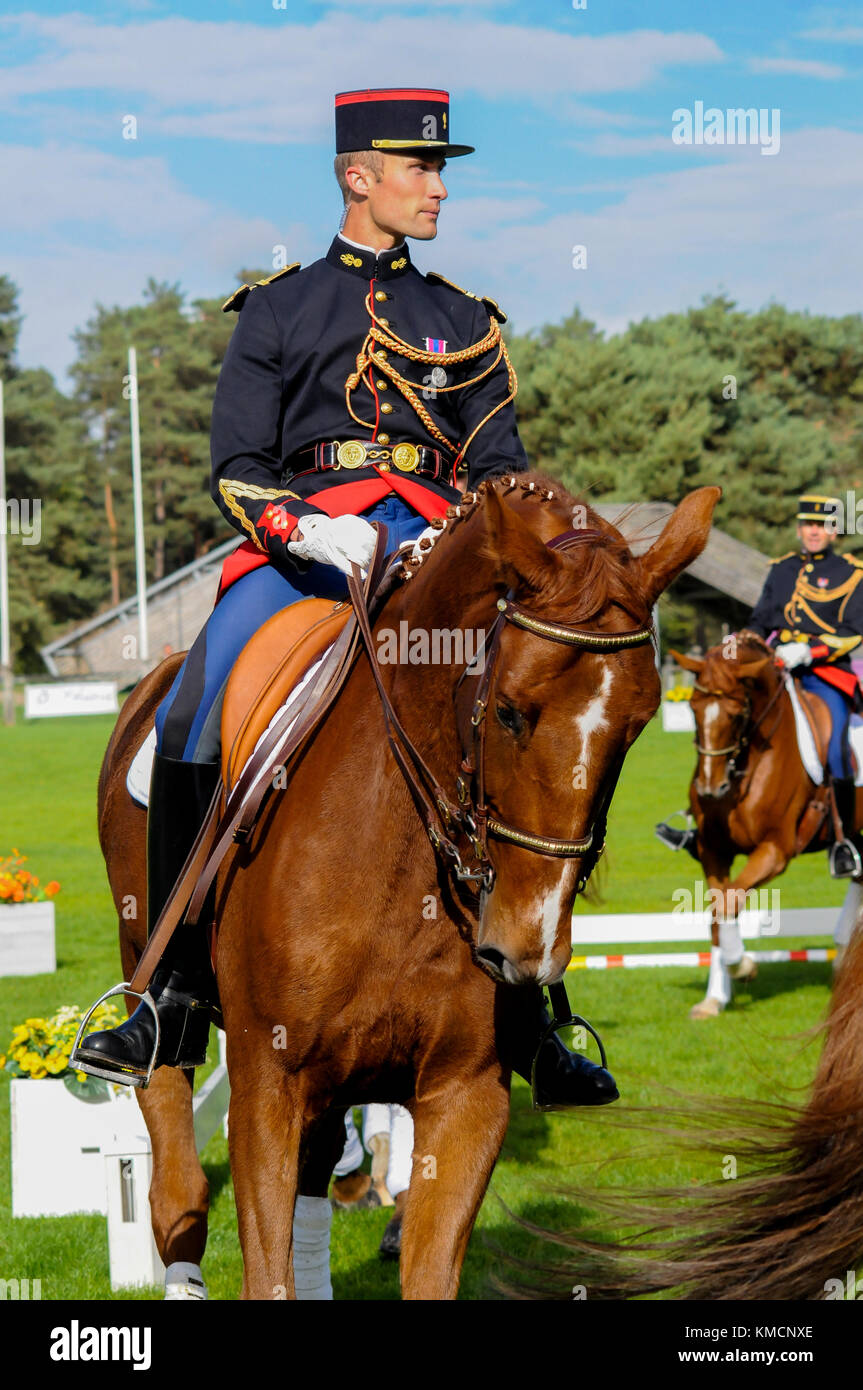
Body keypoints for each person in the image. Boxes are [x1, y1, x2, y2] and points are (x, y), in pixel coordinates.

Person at [75, 87, 617, 1108]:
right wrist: (299, 525)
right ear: (356, 177)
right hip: (301, 556)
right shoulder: (279, 309)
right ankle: (174, 994)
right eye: (419, 169)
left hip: (436, 562)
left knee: (528, 733)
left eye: (440, 170)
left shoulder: (464, 320)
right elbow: (236, 463)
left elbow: (501, 470)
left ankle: (537, 1018)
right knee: (191, 712)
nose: (438, 188)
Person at [656, 493, 863, 875]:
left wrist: (810, 651)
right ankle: (699, 823)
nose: (812, 532)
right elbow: (760, 622)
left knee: (834, 749)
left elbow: (853, 633)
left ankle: (846, 840)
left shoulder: (851, 574)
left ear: (833, 529)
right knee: (727, 727)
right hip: (775, 672)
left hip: (825, 676)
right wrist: (739, 645)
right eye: (806, 525)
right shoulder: (782, 569)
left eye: (820, 526)